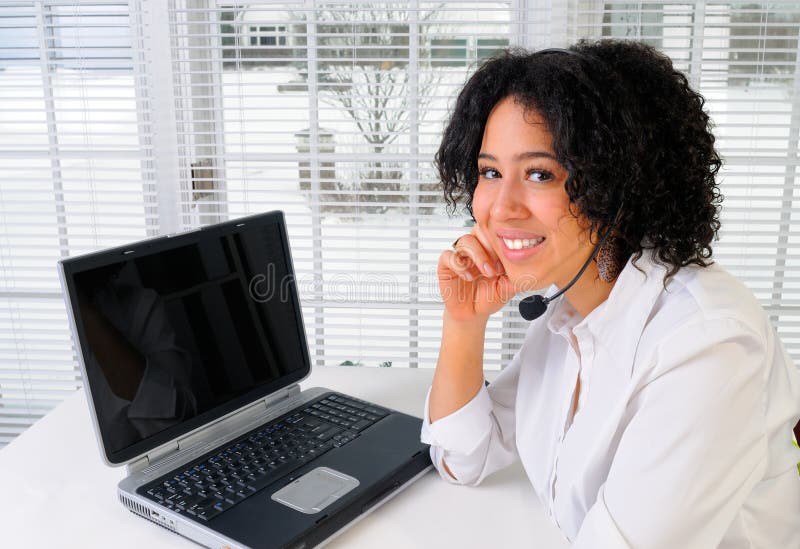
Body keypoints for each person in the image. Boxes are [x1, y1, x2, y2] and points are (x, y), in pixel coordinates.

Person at [420, 39, 800, 548]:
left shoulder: (707, 346)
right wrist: (464, 322)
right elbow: (462, 458)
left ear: (616, 183)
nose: (500, 206)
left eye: (539, 173)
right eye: (491, 172)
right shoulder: (572, 312)